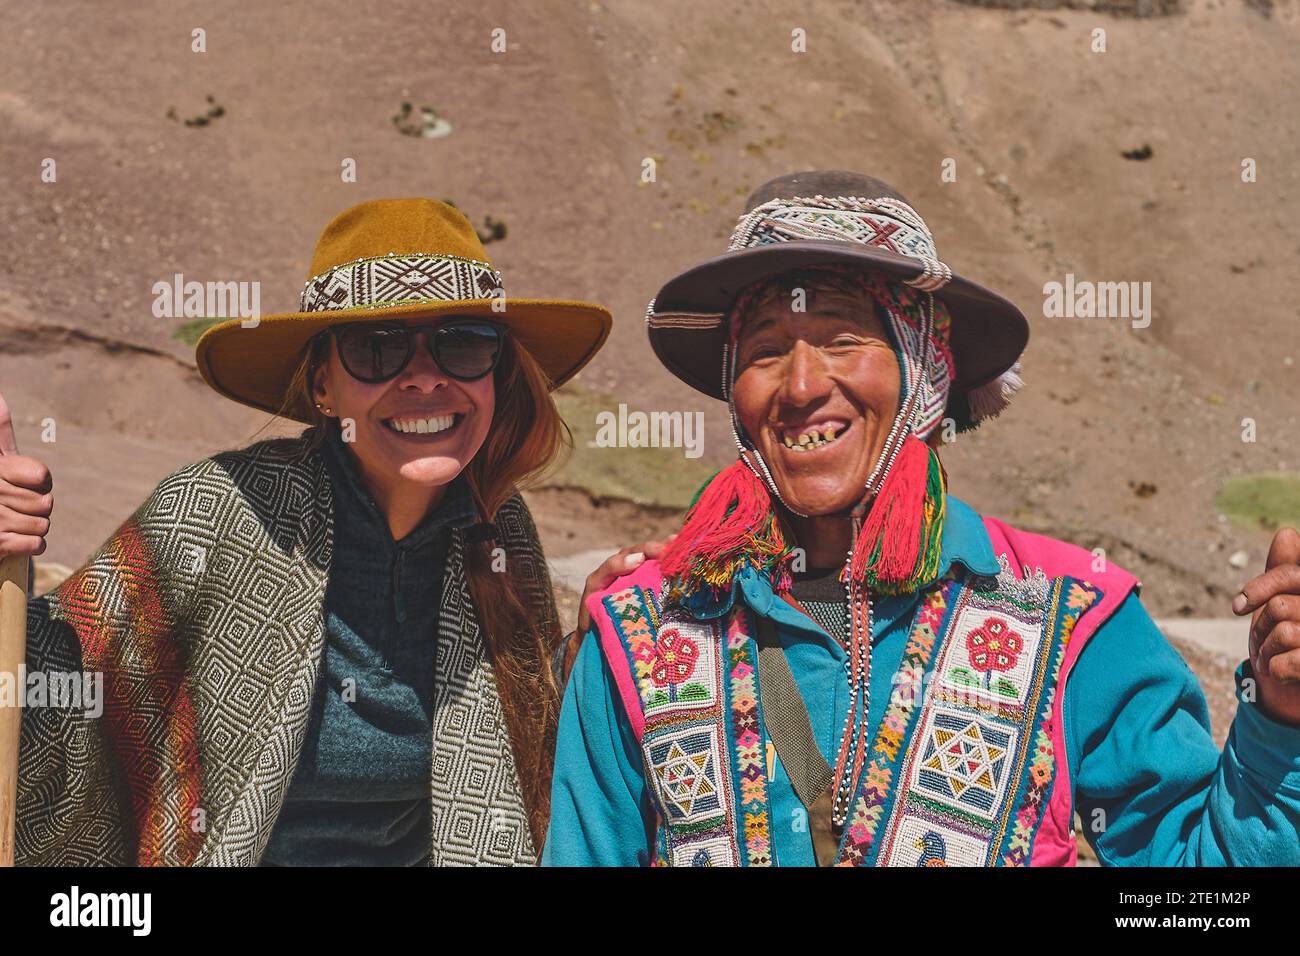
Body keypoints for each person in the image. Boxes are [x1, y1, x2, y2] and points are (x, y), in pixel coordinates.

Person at [543, 170, 1300, 867]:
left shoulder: (1072, 617)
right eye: (766, 351)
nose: (802, 385)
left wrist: (1282, 718)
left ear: (924, 372)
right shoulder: (643, 629)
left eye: (843, 339)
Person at [1, 197, 612, 865]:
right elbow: (53, 710)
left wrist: (587, 655)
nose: (425, 378)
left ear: (496, 373)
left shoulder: (499, 530)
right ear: (323, 387)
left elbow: (525, 749)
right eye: (376, 347)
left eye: (463, 343)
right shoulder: (218, 512)